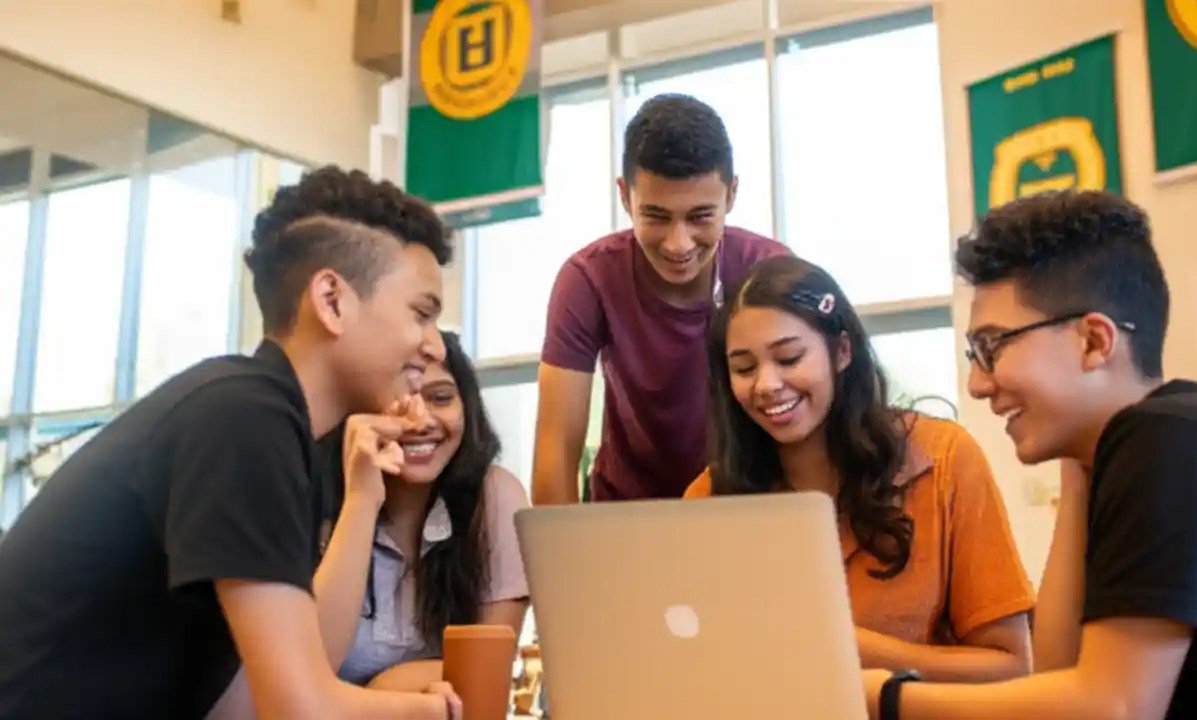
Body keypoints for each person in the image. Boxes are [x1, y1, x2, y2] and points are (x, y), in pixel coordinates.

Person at [0, 167, 462, 719]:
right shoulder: (243, 418)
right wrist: (432, 712)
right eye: (422, 314)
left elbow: (259, 697)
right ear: (333, 300)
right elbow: (297, 710)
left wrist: (364, 497)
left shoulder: (277, 428)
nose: (436, 347)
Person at [861, 190, 1197, 719]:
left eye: (993, 347)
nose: (977, 384)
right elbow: (1060, 675)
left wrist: (882, 697)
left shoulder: (1167, 441)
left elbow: (1115, 707)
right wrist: (1077, 465)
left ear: (1093, 342)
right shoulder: (1153, 436)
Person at [685, 255, 1034, 682]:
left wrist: (859, 653)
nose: (767, 384)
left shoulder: (944, 459)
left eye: (790, 358)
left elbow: (1010, 668)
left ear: (842, 351)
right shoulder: (710, 498)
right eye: (744, 368)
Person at [214, 331, 530, 713]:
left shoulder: (494, 497)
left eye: (441, 398)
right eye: (397, 400)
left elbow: (488, 676)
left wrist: (384, 687)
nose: (420, 420)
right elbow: (309, 673)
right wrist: (362, 501)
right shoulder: (305, 494)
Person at [532, 93, 788, 505]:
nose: (678, 243)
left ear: (732, 195)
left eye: (700, 216)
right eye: (656, 216)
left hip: (745, 505)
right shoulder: (588, 280)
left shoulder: (767, 269)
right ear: (624, 196)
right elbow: (556, 451)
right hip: (627, 515)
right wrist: (556, 565)